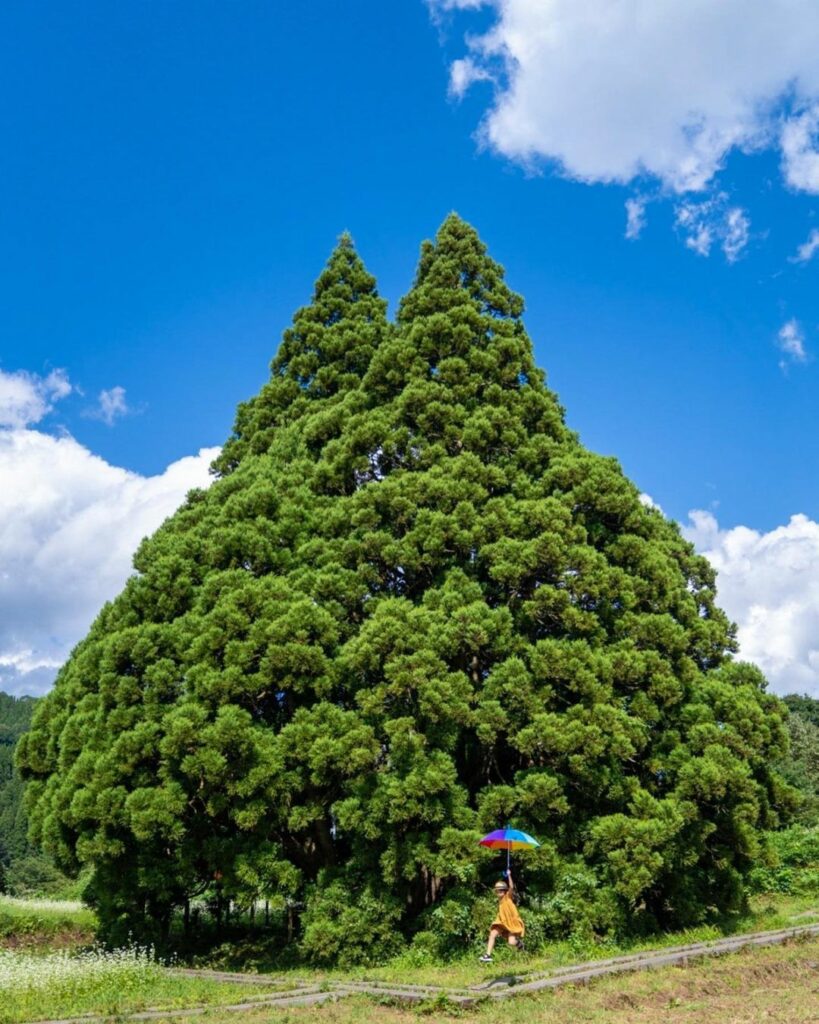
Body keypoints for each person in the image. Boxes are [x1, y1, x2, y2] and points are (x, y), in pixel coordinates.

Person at [479, 869, 525, 962]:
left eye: (501, 890)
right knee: (492, 933)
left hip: (512, 923)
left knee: (511, 942)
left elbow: (511, 887)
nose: (499, 892)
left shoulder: (508, 897)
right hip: (503, 922)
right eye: (497, 891)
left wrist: (509, 875)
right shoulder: (499, 901)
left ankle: (519, 944)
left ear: (504, 891)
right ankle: (488, 955)